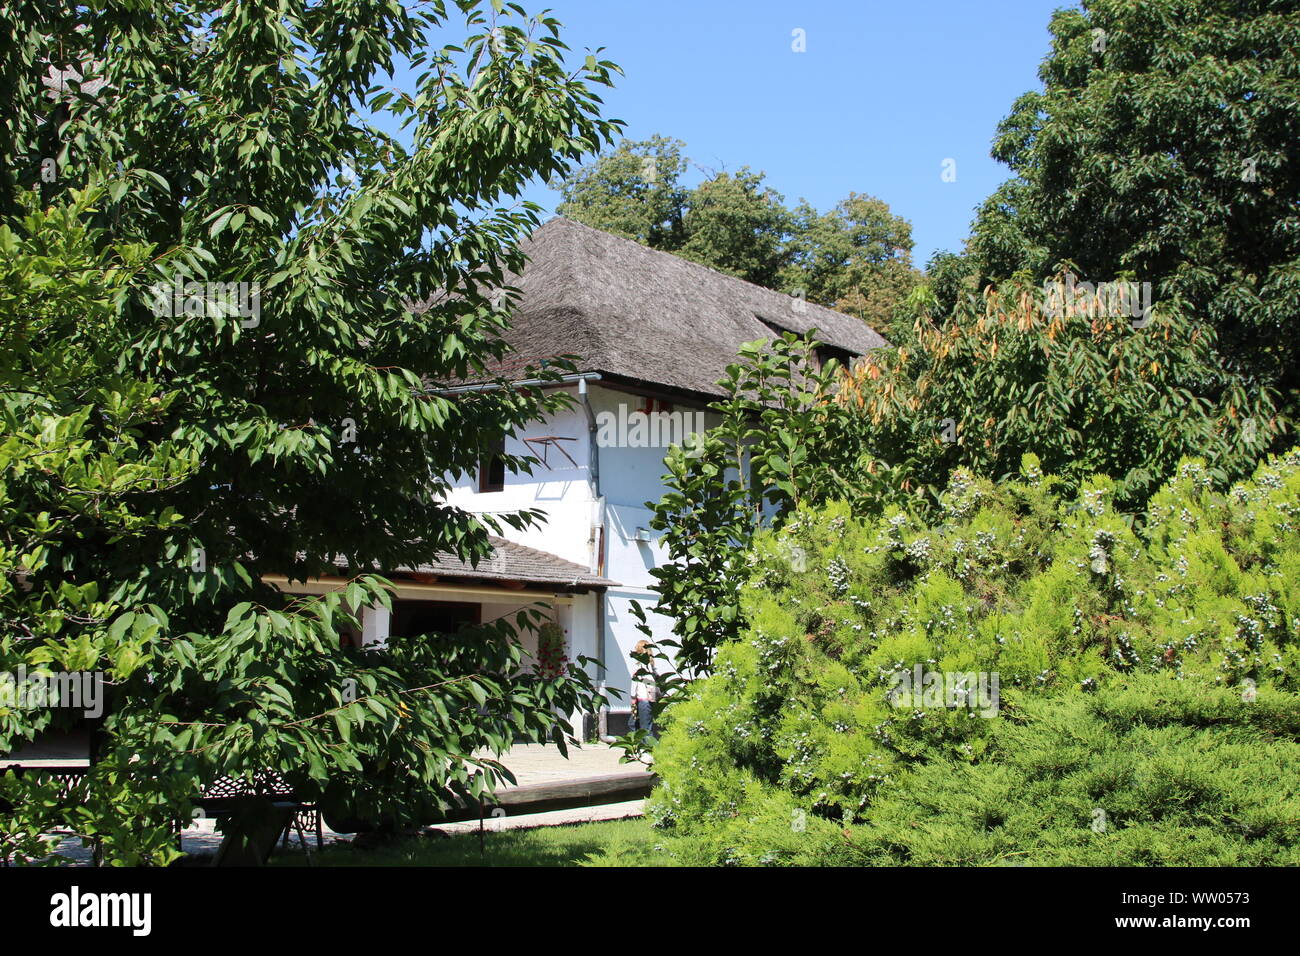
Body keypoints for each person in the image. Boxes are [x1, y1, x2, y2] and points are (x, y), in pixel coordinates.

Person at [628, 639, 658, 736]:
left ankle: (646, 748)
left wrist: (633, 698)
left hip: (643, 700)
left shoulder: (642, 667)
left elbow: (637, 683)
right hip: (647, 700)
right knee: (635, 724)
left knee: (644, 728)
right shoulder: (651, 666)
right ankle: (641, 746)